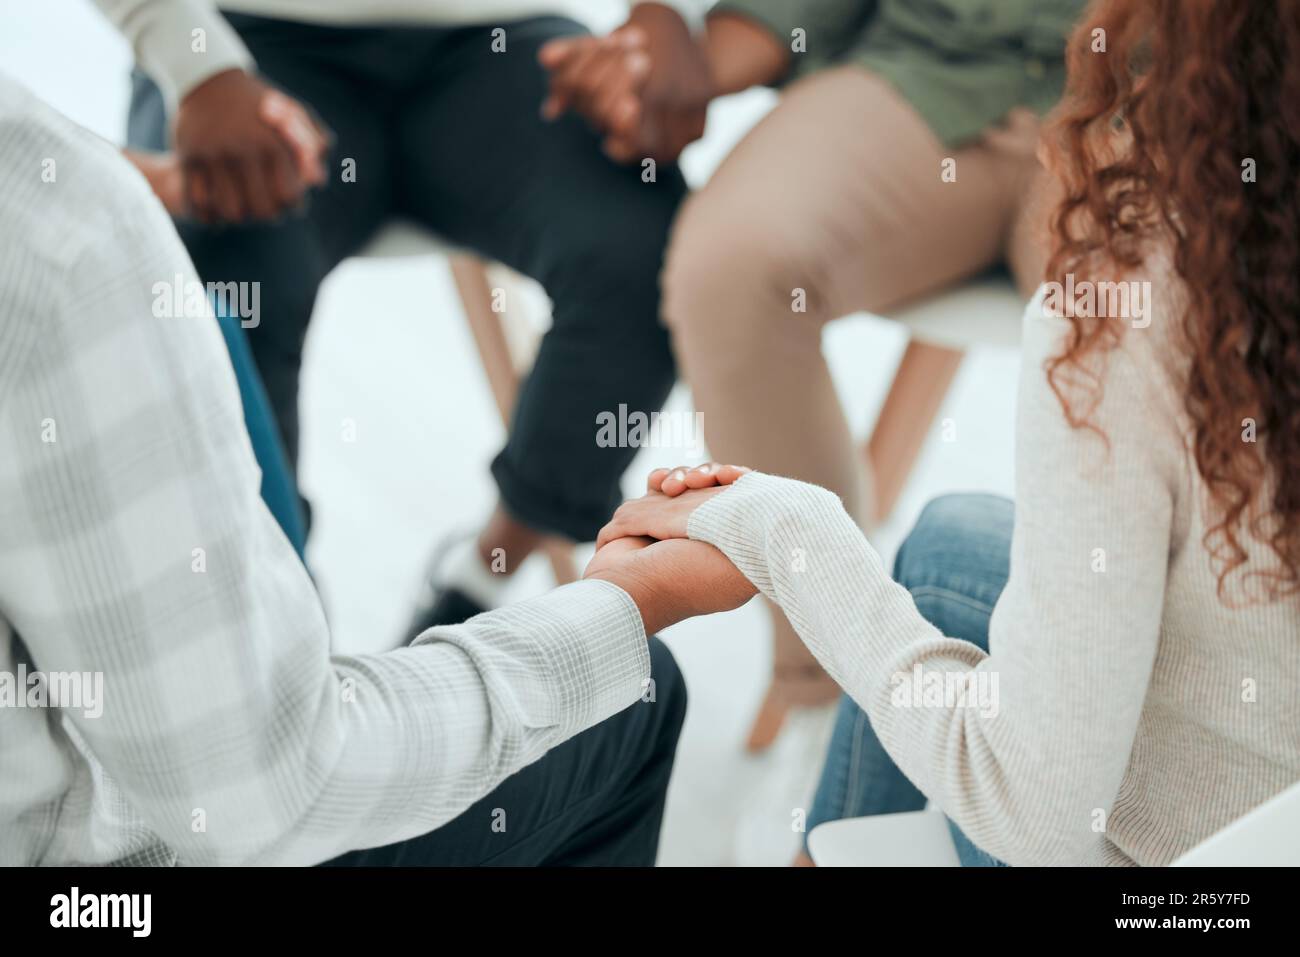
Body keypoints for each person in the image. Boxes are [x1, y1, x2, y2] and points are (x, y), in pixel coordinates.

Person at [592, 0, 1300, 866]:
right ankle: (821, 754)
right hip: (938, 71)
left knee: (1116, 359)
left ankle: (845, 774)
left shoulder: (1122, 303)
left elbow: (1034, 817)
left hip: (1193, 886)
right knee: (947, 546)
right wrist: (686, 39)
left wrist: (794, 539)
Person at [0, 74, 759, 866]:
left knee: (213, 312)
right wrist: (629, 606)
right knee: (635, 690)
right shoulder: (60, 242)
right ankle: (289, 651)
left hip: (467, 56)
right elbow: (269, 800)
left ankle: (458, 581)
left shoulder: (64, 217)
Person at [541, 0, 1085, 749]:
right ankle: (829, 694)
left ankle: (1126, 738)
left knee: (1152, 336)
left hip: (1153, 104)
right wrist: (675, 62)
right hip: (928, 66)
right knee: (730, 268)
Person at [92, 0, 696, 637]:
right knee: (223, 284)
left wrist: (665, 14)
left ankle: (480, 577)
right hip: (240, 41)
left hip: (497, 41)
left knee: (643, 252)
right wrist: (198, 66)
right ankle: (274, 621)